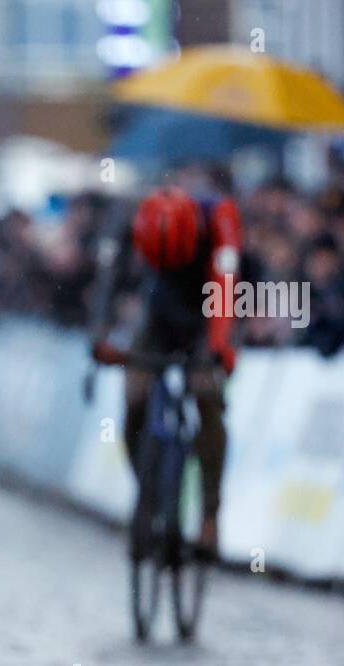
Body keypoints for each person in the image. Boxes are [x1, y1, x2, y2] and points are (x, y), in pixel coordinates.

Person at [89, 185, 240, 556]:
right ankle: (147, 493)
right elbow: (107, 281)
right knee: (135, 396)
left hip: (205, 308)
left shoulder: (220, 217)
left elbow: (225, 289)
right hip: (158, 311)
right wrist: (100, 336)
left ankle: (210, 515)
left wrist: (218, 349)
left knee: (205, 393)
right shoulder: (130, 219)